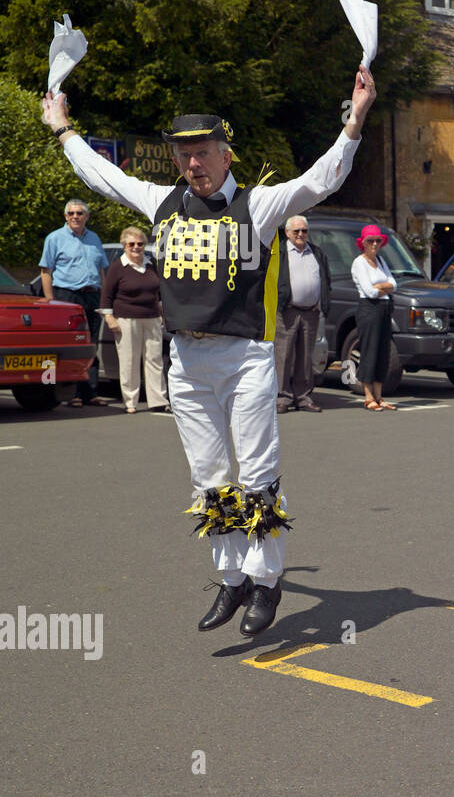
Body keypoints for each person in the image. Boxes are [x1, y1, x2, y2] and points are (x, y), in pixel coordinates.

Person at [43, 66, 376, 637]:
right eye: (183, 154)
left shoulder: (262, 205)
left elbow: (322, 180)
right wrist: (63, 128)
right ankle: (231, 577)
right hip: (186, 360)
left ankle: (267, 580)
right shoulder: (161, 203)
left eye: (202, 152)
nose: (192, 163)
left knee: (258, 475)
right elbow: (102, 177)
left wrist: (357, 116)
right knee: (208, 477)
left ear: (226, 155)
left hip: (244, 358)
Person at [39, 199, 110, 406]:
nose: (75, 217)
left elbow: (101, 272)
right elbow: (46, 271)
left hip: (92, 297)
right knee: (68, 345)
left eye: (79, 213)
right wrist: (50, 300)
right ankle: (71, 394)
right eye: (71, 213)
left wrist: (104, 300)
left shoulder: (94, 239)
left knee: (90, 344)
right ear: (65, 216)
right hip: (67, 297)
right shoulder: (55, 238)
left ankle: (91, 392)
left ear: (87, 216)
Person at [100, 226, 167, 413]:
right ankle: (130, 402)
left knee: (154, 360)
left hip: (152, 318)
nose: (136, 247)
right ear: (124, 246)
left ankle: (158, 400)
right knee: (129, 361)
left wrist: (162, 314)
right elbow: (106, 295)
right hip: (126, 319)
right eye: (132, 244)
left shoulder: (151, 264)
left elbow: (159, 292)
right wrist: (109, 317)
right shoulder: (117, 267)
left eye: (140, 243)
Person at [275, 215, 331, 413]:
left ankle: (304, 397)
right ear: (288, 232)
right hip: (286, 311)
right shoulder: (279, 251)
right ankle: (282, 398)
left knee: (306, 357)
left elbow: (326, 279)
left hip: (311, 312)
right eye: (296, 231)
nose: (300, 234)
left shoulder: (316, 252)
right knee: (283, 356)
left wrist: (322, 302)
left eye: (304, 231)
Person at [350, 224, 397, 410]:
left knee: (383, 352)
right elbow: (369, 292)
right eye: (370, 241)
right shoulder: (359, 263)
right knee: (369, 351)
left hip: (384, 308)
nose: (375, 244)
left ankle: (379, 395)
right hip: (369, 309)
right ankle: (368, 396)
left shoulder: (381, 261)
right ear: (363, 243)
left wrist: (382, 287)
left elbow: (395, 284)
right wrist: (384, 287)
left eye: (378, 240)